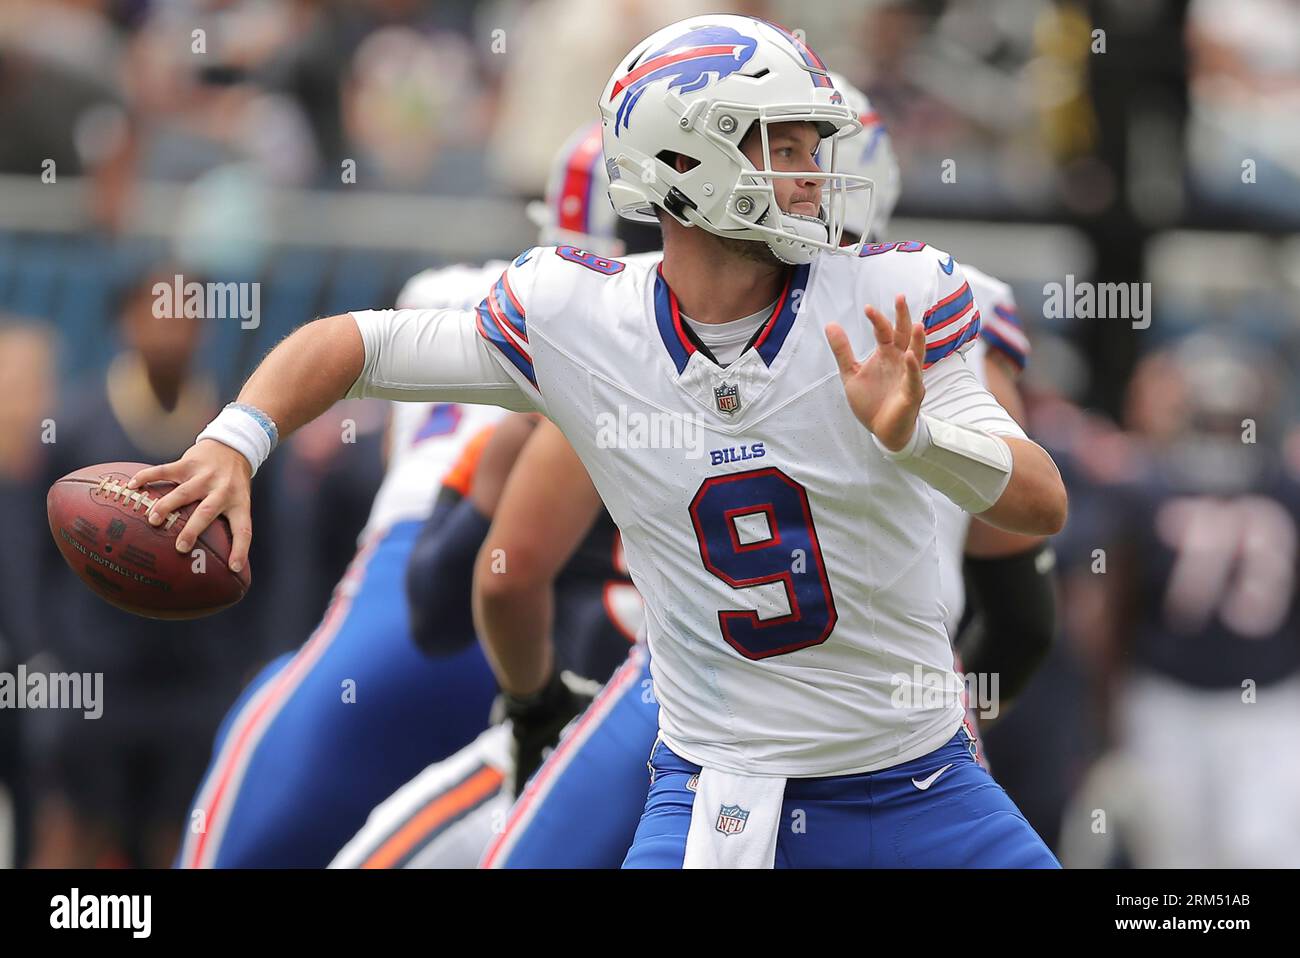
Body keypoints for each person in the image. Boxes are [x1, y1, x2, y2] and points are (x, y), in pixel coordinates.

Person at [133, 15, 1066, 868]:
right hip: (714, 792)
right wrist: (234, 439)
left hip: (921, 782)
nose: (813, 171)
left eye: (809, 144)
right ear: (687, 160)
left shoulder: (892, 294)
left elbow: (1039, 499)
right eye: (780, 144)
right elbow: (351, 345)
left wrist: (923, 441)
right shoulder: (581, 318)